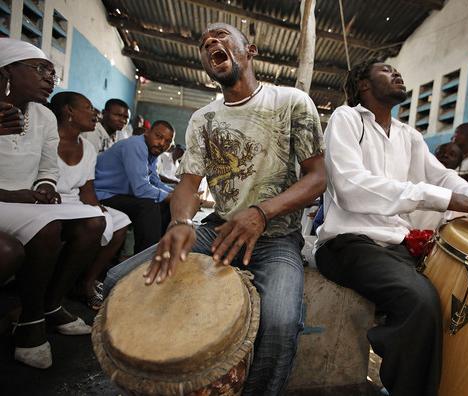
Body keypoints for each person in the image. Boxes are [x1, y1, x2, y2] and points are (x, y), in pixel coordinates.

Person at [103, 22, 325, 396]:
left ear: (249, 50)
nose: (211, 43)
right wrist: (181, 220)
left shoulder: (290, 102)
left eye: (221, 36)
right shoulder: (203, 119)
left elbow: (317, 177)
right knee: (116, 282)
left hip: (276, 239)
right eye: (205, 43)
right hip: (216, 229)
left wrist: (262, 212)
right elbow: (189, 184)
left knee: (281, 323)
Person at [314, 59, 468, 396]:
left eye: (397, 69)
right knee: (419, 300)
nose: (396, 72)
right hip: (346, 243)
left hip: (392, 246)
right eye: (385, 70)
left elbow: (440, 174)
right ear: (364, 85)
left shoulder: (408, 135)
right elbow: (351, 188)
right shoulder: (347, 119)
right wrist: (447, 200)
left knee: (445, 302)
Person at [0, 38, 105, 369]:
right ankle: (31, 323)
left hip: (25, 201)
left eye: (52, 71)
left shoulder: (44, 116)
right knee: (47, 226)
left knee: (94, 221)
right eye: (40, 69)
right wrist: (15, 195)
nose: (50, 78)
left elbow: (47, 169)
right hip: (9, 201)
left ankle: (51, 304)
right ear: (7, 72)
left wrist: (45, 186)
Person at [49, 91, 132, 309]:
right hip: (51, 199)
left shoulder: (87, 147)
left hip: (75, 200)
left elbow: (87, 190)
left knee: (120, 219)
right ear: (69, 111)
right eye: (88, 108)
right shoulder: (49, 140)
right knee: (97, 220)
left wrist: (98, 206)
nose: (93, 113)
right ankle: (61, 291)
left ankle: (88, 280)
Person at [94, 121, 174, 253]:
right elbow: (141, 189)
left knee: (165, 204)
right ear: (147, 132)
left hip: (119, 194)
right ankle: (143, 260)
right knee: (148, 205)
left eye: (167, 141)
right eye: (159, 136)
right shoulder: (136, 145)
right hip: (103, 193)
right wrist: (172, 197)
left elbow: (155, 181)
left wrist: (177, 195)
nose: (162, 144)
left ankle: (158, 252)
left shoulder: (151, 152)